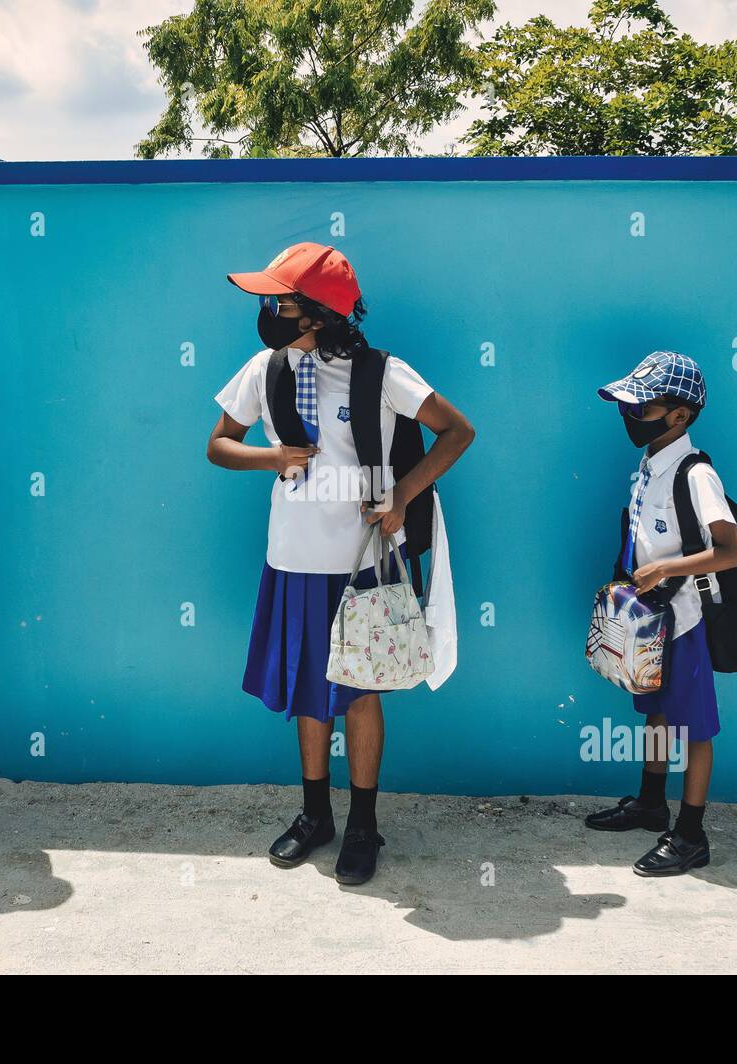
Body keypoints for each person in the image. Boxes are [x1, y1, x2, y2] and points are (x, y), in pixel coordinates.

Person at [207, 243, 474, 885]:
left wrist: (402, 495)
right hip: (292, 558)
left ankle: (363, 824)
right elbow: (218, 445)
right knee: (308, 691)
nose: (268, 309)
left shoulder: (382, 372)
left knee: (358, 694)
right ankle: (314, 815)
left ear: (319, 311)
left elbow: (457, 431)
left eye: (280, 299)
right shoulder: (263, 368)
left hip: (362, 565)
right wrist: (272, 458)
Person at [585, 352, 737, 876]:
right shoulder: (651, 465)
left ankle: (691, 834)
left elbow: (731, 550)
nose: (631, 413)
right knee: (655, 712)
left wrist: (665, 571)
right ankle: (651, 801)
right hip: (652, 623)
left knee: (695, 729)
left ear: (680, 415)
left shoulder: (695, 474)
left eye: (642, 405)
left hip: (687, 623)